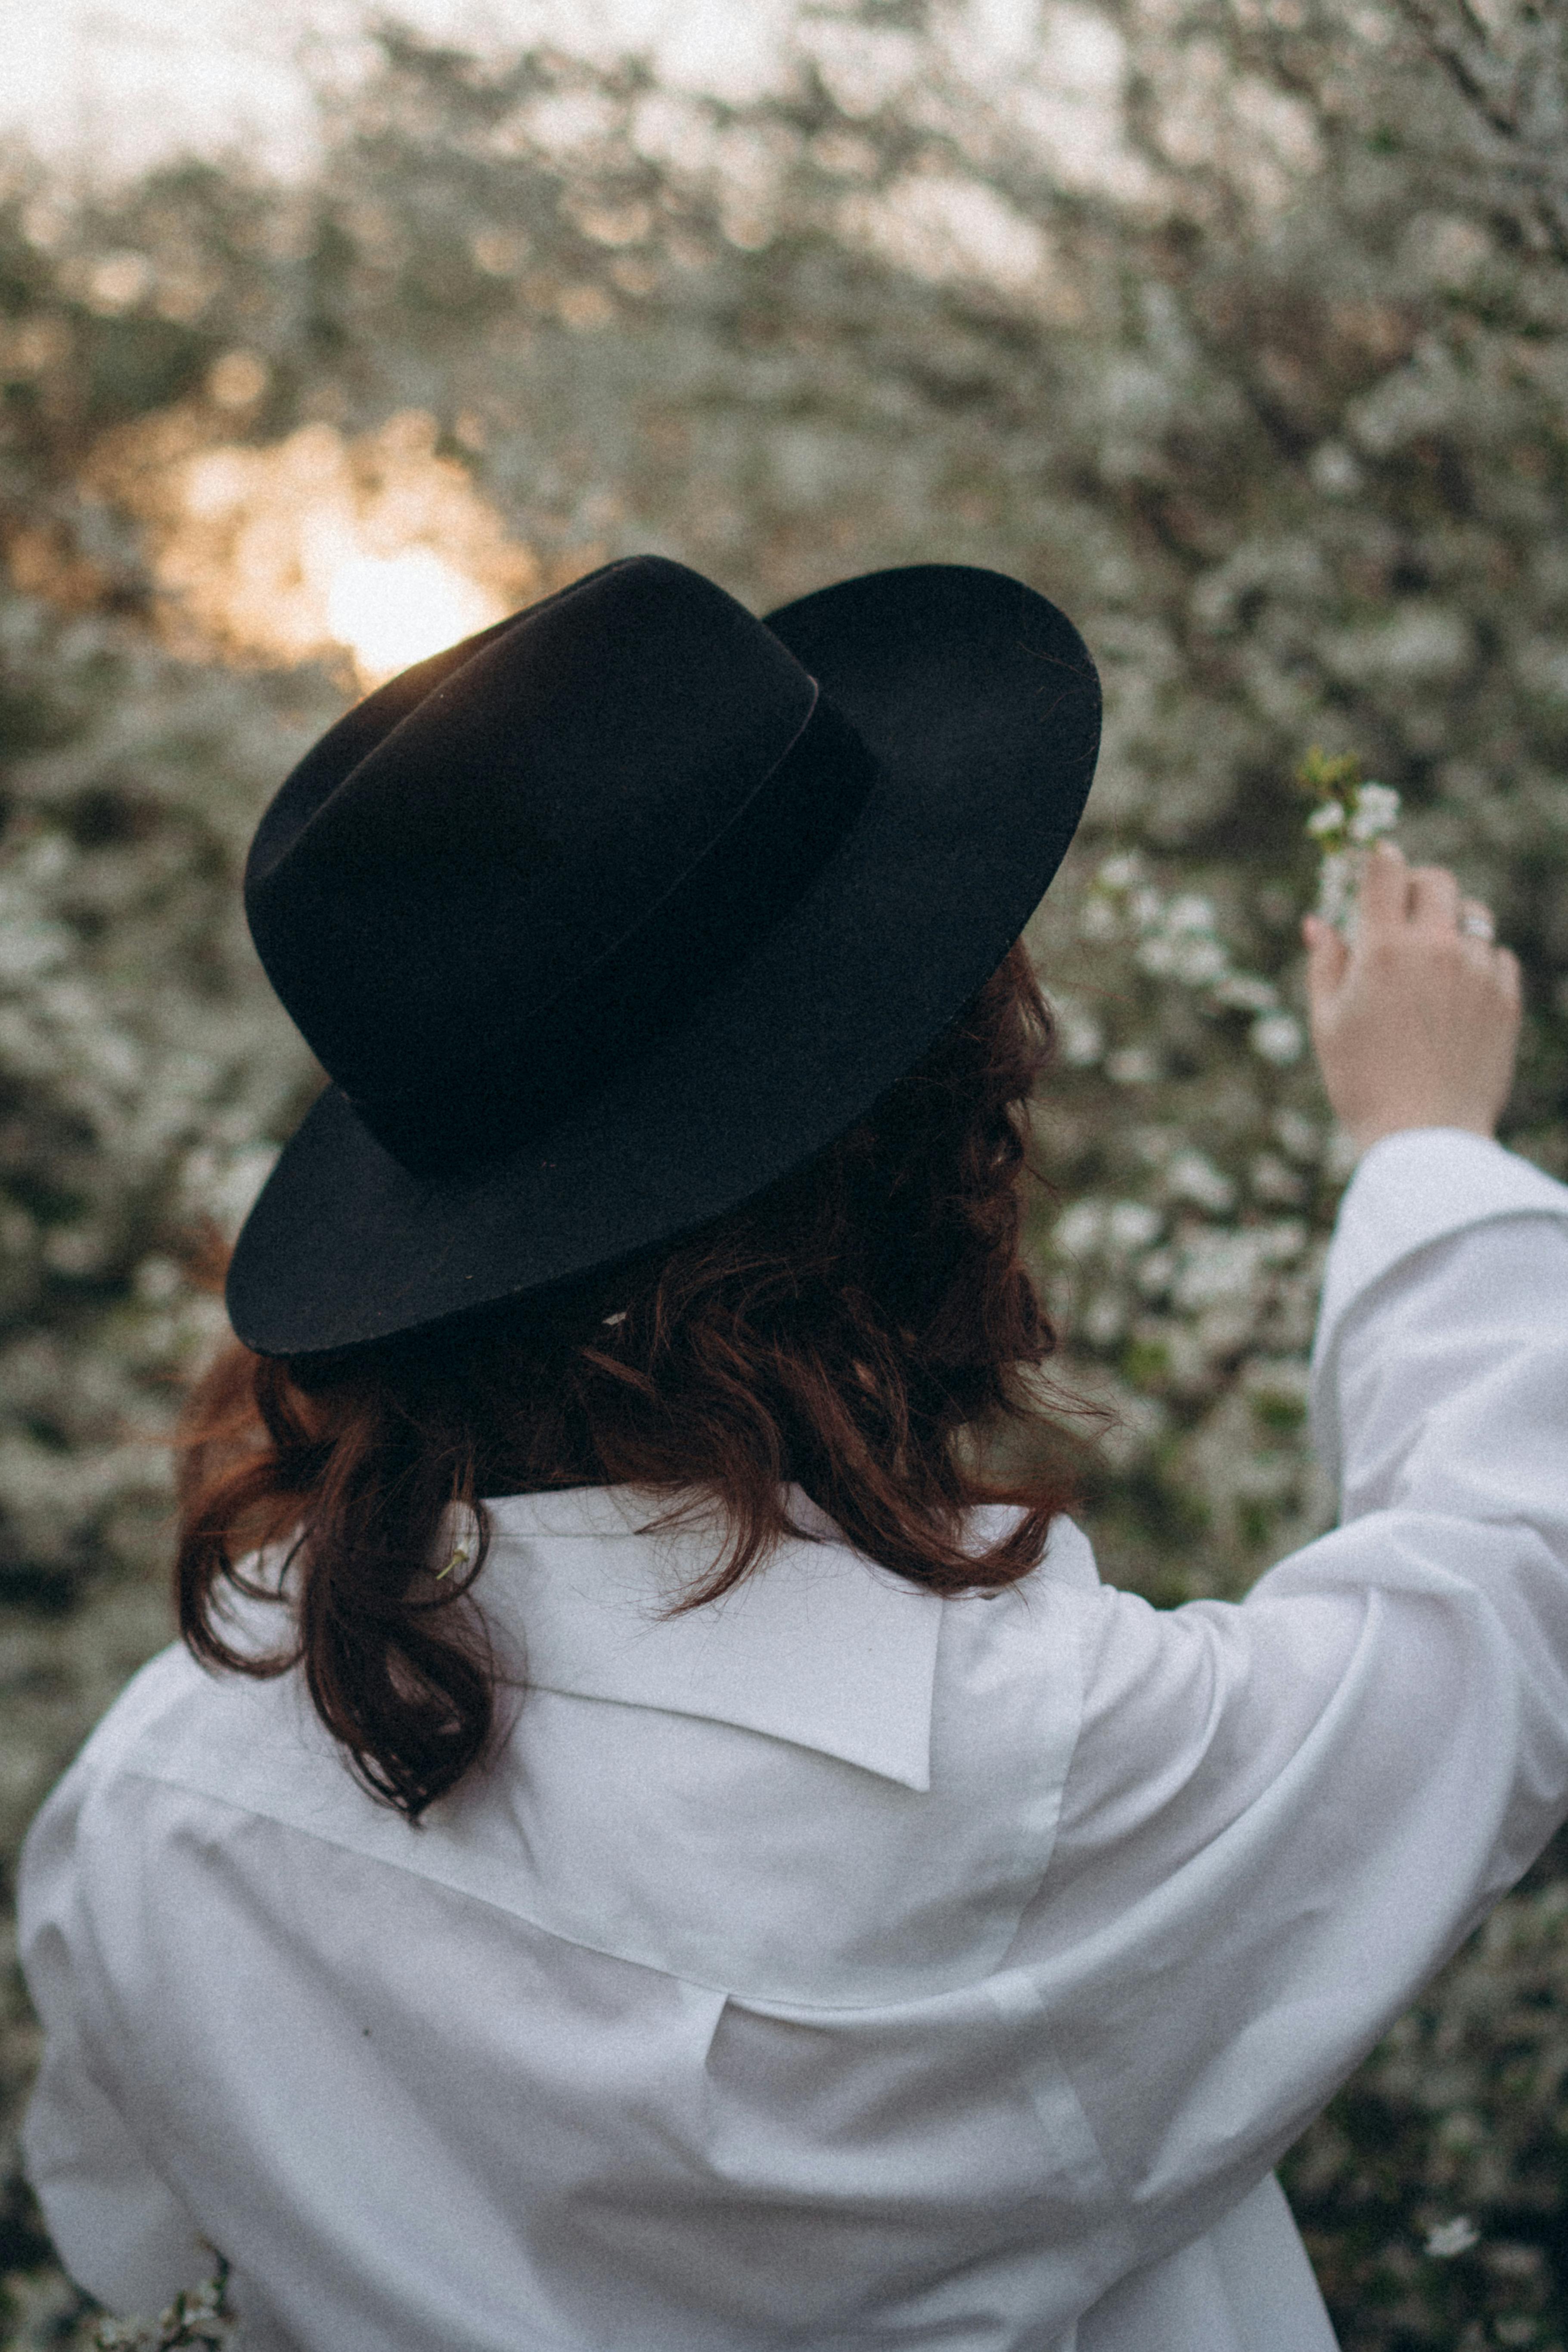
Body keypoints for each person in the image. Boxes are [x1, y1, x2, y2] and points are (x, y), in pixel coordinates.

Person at [15, 555, 1556, 2352]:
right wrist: (1426, 1148)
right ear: (908, 1151)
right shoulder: (1008, 1769)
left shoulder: (150, 1809)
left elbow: (143, 2249)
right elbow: (1503, 1611)